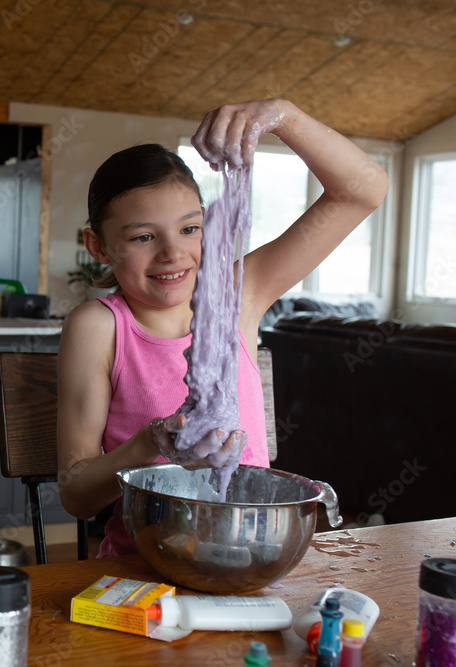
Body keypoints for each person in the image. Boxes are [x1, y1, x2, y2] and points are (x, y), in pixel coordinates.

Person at [56, 99, 389, 557]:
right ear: (98, 245)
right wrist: (148, 445)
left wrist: (284, 116)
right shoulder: (99, 327)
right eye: (143, 237)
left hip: (254, 555)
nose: (173, 253)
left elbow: (364, 190)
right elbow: (76, 494)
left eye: (190, 229)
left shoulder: (238, 294)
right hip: (146, 563)